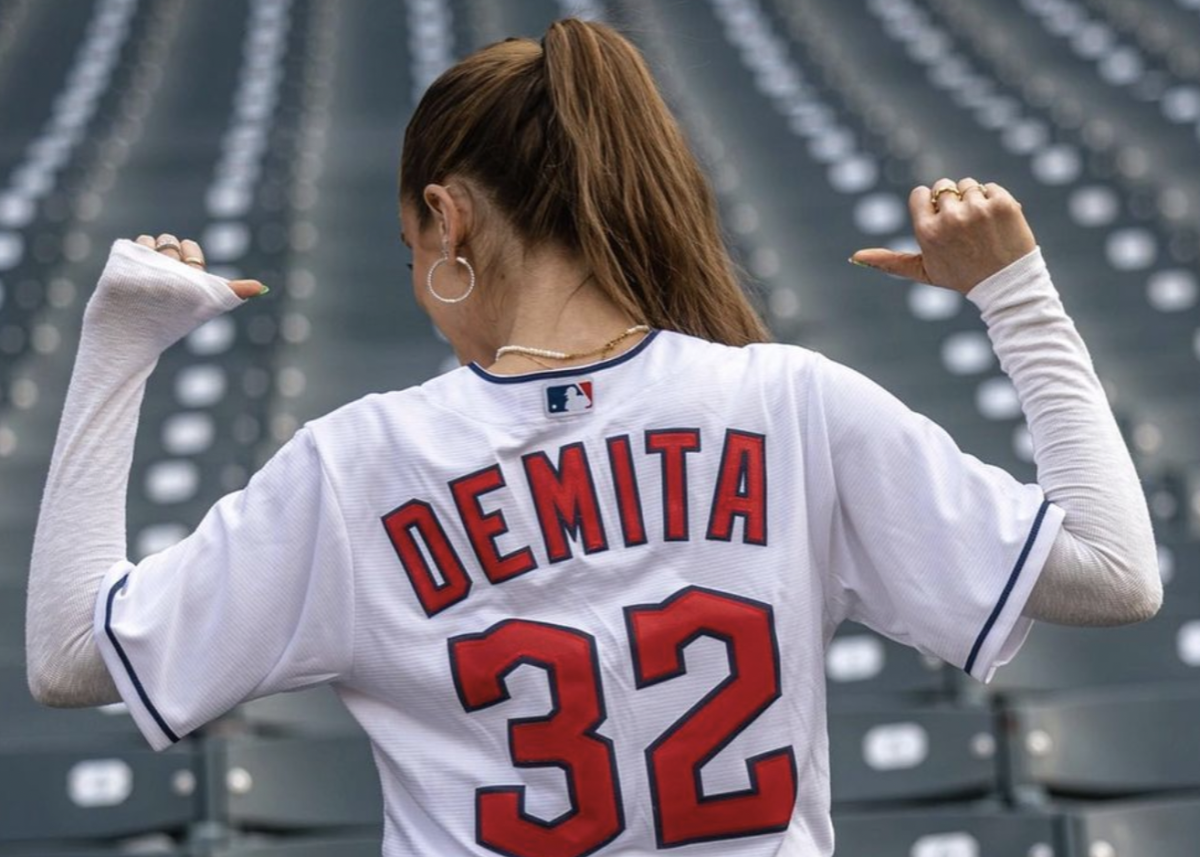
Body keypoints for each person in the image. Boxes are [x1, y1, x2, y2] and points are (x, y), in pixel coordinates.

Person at [26, 16, 1160, 857]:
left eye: (412, 235)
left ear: (448, 217)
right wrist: (1016, 294)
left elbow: (74, 657)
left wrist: (120, 341)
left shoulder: (360, 463)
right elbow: (1119, 575)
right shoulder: (792, 401)